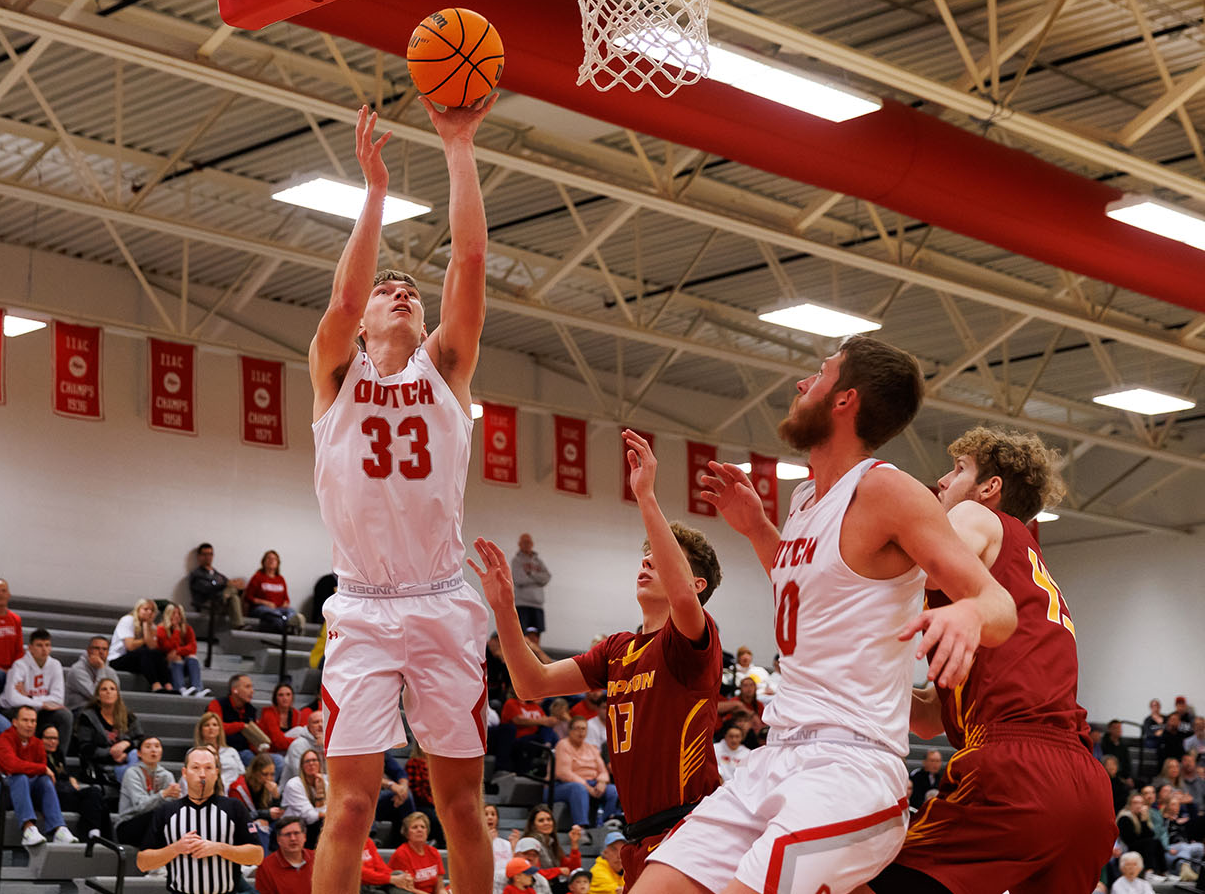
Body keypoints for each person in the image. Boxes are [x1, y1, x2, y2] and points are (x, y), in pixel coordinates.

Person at [645, 336, 1019, 894]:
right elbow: (809, 592)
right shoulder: (805, 500)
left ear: (844, 400)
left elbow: (998, 605)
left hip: (851, 767)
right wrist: (756, 529)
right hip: (774, 756)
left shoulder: (887, 490)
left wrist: (966, 616)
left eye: (817, 376)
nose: (802, 385)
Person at [307, 93, 498, 894]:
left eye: (409, 291)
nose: (400, 292)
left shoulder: (446, 367)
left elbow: (470, 265)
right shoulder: (334, 371)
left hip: (442, 599)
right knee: (348, 806)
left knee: (460, 804)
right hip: (363, 605)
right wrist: (375, 191)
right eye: (389, 289)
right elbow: (344, 300)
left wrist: (457, 145)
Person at [471, 428, 725, 889]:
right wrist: (505, 609)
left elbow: (683, 597)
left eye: (660, 556)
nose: (647, 560)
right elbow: (532, 684)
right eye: (644, 554)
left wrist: (646, 495)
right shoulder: (617, 649)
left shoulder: (690, 640)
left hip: (692, 828)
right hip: (641, 837)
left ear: (696, 584)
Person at [868, 426, 1115, 894]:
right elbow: (926, 720)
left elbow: (914, 565)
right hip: (1084, 784)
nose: (942, 481)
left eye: (959, 469)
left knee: (867, 883)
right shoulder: (1026, 569)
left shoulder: (975, 518)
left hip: (1018, 770)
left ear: (989, 488)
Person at [135, 745, 262, 893]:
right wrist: (176, 848)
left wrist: (219, 848)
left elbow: (257, 856)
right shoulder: (166, 811)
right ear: (185, 773)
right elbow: (142, 862)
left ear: (216, 773)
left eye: (208, 768)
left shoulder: (234, 808)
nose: (202, 774)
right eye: (195, 768)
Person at [0, 705, 77, 846]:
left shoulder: (37, 743)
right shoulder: (3, 740)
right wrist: (42, 768)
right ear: (15, 722)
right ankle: (28, 829)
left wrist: (42, 770)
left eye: (33, 721)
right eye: (25, 720)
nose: (30, 725)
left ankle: (59, 828)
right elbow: (12, 767)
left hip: (20, 792)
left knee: (43, 780)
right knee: (19, 776)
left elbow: (39, 774)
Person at [0, 628, 72, 752]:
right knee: (29, 714)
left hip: (36, 709)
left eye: (47, 645)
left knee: (65, 715)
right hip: (10, 710)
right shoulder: (19, 665)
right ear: (30, 648)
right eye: (39, 645)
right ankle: (28, 756)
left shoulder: (55, 665)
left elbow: (58, 700)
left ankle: (59, 760)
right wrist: (41, 703)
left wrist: (29, 698)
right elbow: (12, 698)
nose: (44, 649)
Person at [40, 725, 111, 842]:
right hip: (52, 796)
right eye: (48, 738)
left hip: (66, 791)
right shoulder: (38, 754)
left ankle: (94, 832)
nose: (52, 742)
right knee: (94, 799)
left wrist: (71, 778)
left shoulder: (58, 753)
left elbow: (63, 774)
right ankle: (94, 834)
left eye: (55, 738)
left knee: (96, 794)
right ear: (40, 739)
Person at [74, 677, 144, 782]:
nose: (108, 692)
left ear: (117, 694)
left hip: (127, 761)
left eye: (112, 689)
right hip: (100, 765)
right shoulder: (88, 717)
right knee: (132, 773)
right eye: (104, 689)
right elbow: (85, 748)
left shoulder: (128, 717)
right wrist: (111, 753)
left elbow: (141, 741)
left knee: (134, 754)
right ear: (98, 695)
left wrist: (126, 743)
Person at [553, 716, 618, 828]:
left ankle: (605, 823)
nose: (581, 732)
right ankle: (581, 827)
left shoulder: (592, 748)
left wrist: (602, 782)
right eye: (577, 728)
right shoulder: (563, 744)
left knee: (613, 790)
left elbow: (603, 771)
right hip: (563, 785)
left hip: (591, 783)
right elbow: (563, 773)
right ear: (569, 730)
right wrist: (587, 787)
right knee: (579, 789)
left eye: (583, 729)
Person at [116, 735, 181, 846]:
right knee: (157, 816)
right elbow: (140, 806)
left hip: (156, 823)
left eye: (157, 746)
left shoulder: (167, 775)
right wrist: (163, 794)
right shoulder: (132, 773)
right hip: (129, 824)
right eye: (148, 746)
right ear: (139, 753)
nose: (153, 750)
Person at [210, 674, 274, 769]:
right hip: (222, 749)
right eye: (247, 687)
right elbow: (216, 727)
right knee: (252, 760)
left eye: (252, 687)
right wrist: (241, 726)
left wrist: (259, 748)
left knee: (277, 760)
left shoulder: (251, 710)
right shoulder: (217, 704)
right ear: (234, 690)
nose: (252, 691)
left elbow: (253, 739)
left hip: (245, 750)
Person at [112, 598, 172, 694]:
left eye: (152, 610)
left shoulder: (151, 625)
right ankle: (155, 684)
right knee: (144, 652)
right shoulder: (127, 620)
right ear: (138, 610)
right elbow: (130, 646)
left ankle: (168, 685)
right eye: (146, 609)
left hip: (137, 659)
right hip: (117, 659)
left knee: (157, 654)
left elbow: (153, 647)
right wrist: (146, 638)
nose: (149, 612)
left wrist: (145, 625)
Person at [230, 752, 283, 850]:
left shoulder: (268, 786)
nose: (269, 778)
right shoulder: (238, 788)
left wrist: (276, 797)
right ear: (255, 772)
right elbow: (240, 818)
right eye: (265, 774)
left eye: (272, 774)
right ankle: (262, 863)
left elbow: (276, 814)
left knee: (285, 825)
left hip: (263, 822)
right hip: (243, 828)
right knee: (259, 828)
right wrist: (265, 814)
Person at [190, 543, 246, 631]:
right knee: (231, 590)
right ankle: (225, 596)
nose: (207, 557)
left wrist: (237, 585)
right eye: (204, 554)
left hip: (221, 603)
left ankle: (239, 626)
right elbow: (207, 588)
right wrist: (226, 585)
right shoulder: (196, 574)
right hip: (208, 604)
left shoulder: (218, 575)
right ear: (199, 556)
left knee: (234, 596)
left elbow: (228, 584)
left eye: (210, 554)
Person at [246, 550, 304, 633]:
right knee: (275, 614)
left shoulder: (280, 579)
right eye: (269, 558)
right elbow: (249, 597)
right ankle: (288, 629)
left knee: (291, 611)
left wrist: (285, 603)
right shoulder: (257, 577)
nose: (271, 561)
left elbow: (286, 598)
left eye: (274, 559)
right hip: (261, 608)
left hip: (279, 608)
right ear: (264, 562)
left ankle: (292, 626)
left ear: (278, 563)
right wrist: (265, 602)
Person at [390, 811, 447, 894]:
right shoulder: (402, 854)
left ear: (427, 832)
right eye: (414, 827)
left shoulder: (434, 852)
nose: (419, 830)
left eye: (423, 827)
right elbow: (409, 889)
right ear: (407, 833)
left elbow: (440, 888)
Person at [282, 747, 328, 849]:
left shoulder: (325, 781)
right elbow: (311, 817)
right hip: (296, 826)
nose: (311, 763)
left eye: (314, 760)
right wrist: (320, 794)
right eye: (307, 761)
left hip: (317, 827)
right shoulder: (294, 784)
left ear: (320, 763)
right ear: (302, 766)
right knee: (321, 823)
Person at [257, 816, 315, 894]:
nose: (293, 838)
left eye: (296, 833)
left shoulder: (318, 859)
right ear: (278, 839)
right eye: (287, 834)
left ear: (304, 836)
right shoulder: (266, 867)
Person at [160, 603, 207, 696]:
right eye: (174, 613)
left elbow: (192, 647)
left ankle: (198, 689)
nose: (177, 616)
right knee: (176, 657)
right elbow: (167, 647)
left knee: (192, 657)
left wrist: (178, 651)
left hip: (182, 660)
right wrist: (176, 632)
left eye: (179, 613)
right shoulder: (161, 629)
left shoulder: (187, 629)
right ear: (168, 615)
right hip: (166, 664)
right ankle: (180, 688)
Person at [520, 808, 582, 878]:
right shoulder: (529, 843)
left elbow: (573, 869)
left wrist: (574, 843)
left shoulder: (552, 843)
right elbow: (531, 873)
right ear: (533, 825)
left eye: (549, 819)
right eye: (541, 820)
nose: (546, 823)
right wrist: (558, 871)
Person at [510, 534, 551, 637]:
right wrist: (538, 580)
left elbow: (546, 577)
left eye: (528, 542)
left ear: (532, 544)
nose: (526, 545)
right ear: (519, 544)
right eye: (524, 542)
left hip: (537, 605)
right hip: (522, 605)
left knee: (535, 637)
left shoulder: (538, 561)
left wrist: (531, 574)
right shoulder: (517, 561)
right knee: (522, 636)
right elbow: (519, 579)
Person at [196, 712, 246, 788]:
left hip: (232, 792)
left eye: (215, 725)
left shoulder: (231, 751)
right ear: (200, 730)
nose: (211, 728)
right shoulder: (194, 753)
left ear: (220, 729)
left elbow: (242, 773)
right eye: (207, 725)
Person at [68, 636, 119, 709]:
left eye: (104, 649)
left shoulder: (111, 672)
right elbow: (96, 695)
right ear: (88, 651)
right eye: (97, 648)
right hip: (80, 708)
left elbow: (116, 696)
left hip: (104, 708)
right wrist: (101, 669)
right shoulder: (77, 669)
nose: (101, 652)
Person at [260, 683, 309, 756]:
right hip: (271, 750)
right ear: (275, 698)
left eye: (288, 694)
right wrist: (299, 742)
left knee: (302, 731)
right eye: (281, 695)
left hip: (289, 749)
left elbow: (306, 736)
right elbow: (278, 742)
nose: (285, 698)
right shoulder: (269, 714)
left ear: (292, 697)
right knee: (299, 730)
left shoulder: (297, 714)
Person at [281, 709, 324, 786]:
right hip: (295, 789)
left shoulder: (328, 745)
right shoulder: (298, 745)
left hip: (321, 787)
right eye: (316, 722)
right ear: (308, 726)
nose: (320, 725)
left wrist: (325, 748)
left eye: (323, 722)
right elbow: (302, 775)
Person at [487, 803, 516, 886]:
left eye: (493, 814)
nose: (490, 817)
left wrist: (514, 848)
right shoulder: (475, 843)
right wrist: (487, 842)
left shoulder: (506, 844)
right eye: (486, 814)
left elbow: (514, 867)